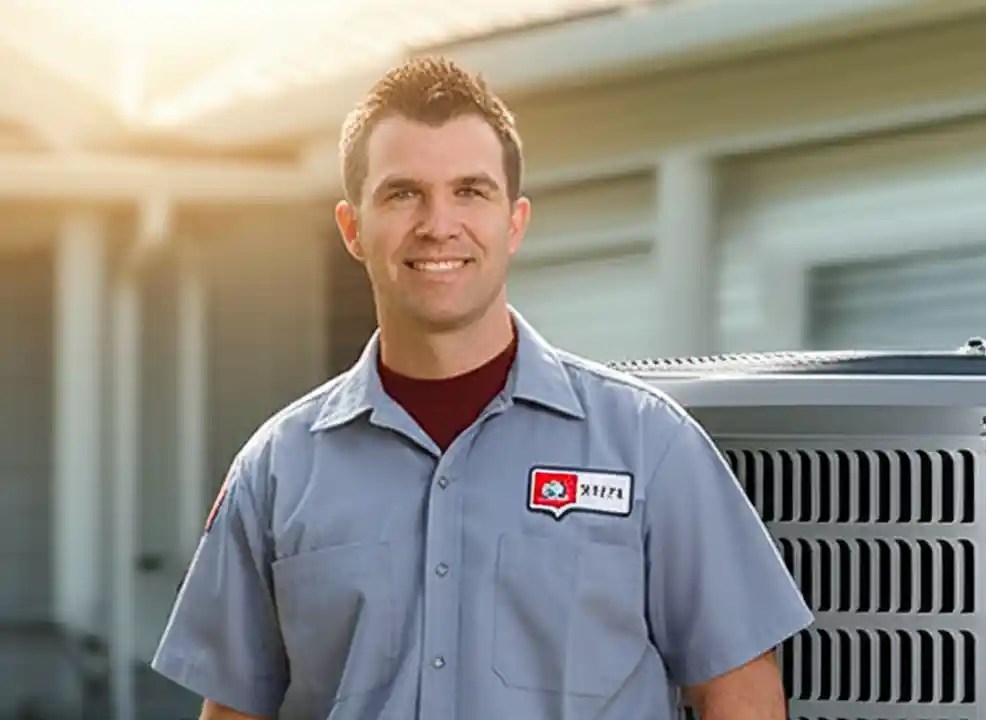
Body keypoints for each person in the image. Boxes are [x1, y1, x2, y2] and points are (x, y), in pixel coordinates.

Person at [151, 55, 813, 720]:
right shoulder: (278, 471)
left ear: (515, 222)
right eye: (403, 192)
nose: (439, 224)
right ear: (353, 229)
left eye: (470, 191)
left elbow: (739, 693)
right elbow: (235, 711)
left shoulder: (649, 448)